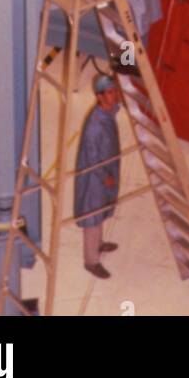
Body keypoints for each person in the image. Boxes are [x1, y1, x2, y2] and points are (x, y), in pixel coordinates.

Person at [74, 74, 121, 279]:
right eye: (110, 93)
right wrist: (105, 177)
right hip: (95, 177)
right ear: (99, 96)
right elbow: (93, 159)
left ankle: (99, 245)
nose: (115, 96)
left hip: (106, 171)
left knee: (101, 209)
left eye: (115, 91)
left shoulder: (107, 113)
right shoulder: (95, 125)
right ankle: (91, 261)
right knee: (93, 216)